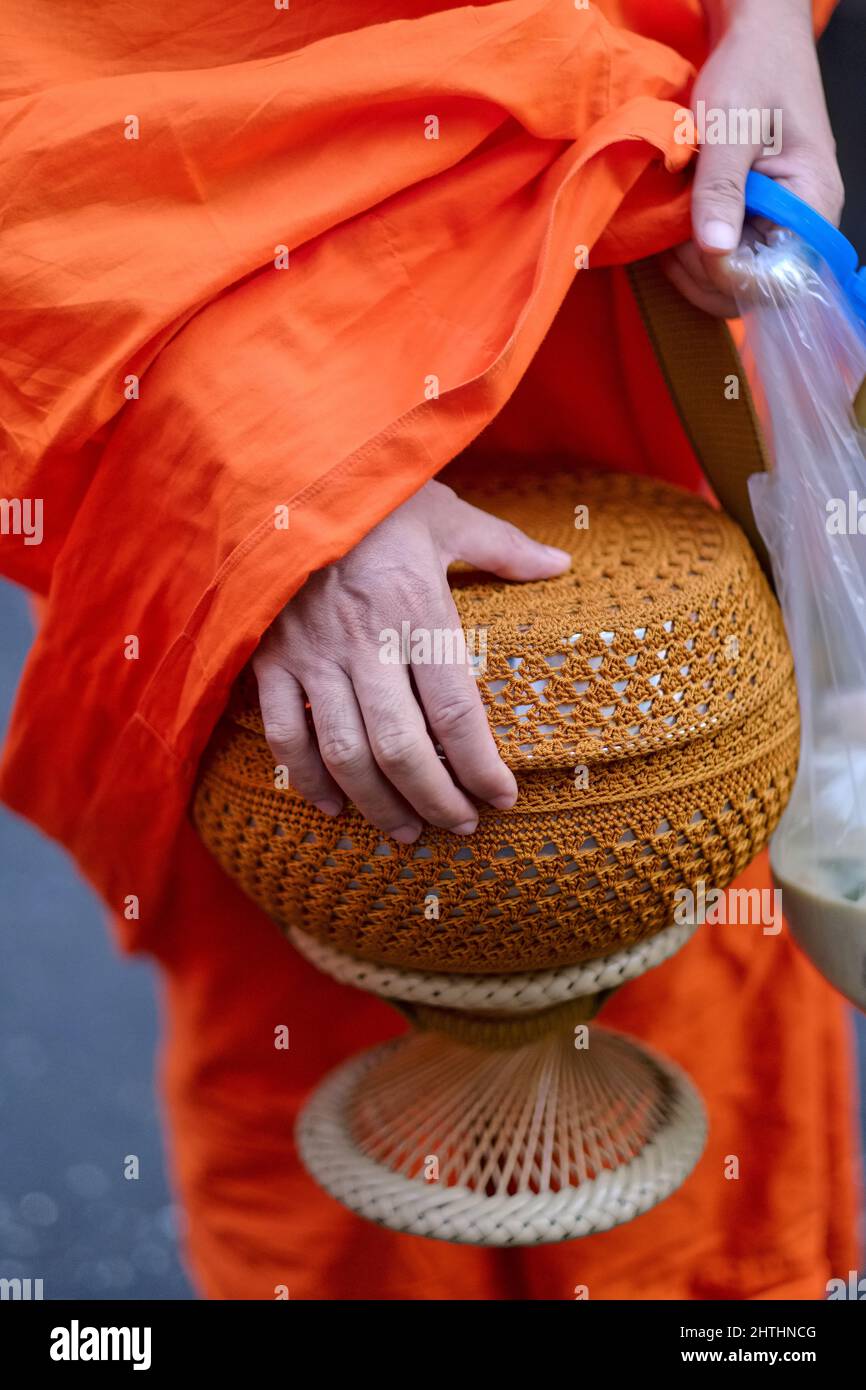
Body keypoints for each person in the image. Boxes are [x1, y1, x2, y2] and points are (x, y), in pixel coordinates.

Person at [0, 0, 859, 1298]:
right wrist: (261, 470)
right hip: (202, 299)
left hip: (626, 299)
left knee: (690, 895)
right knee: (343, 924)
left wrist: (757, 23)